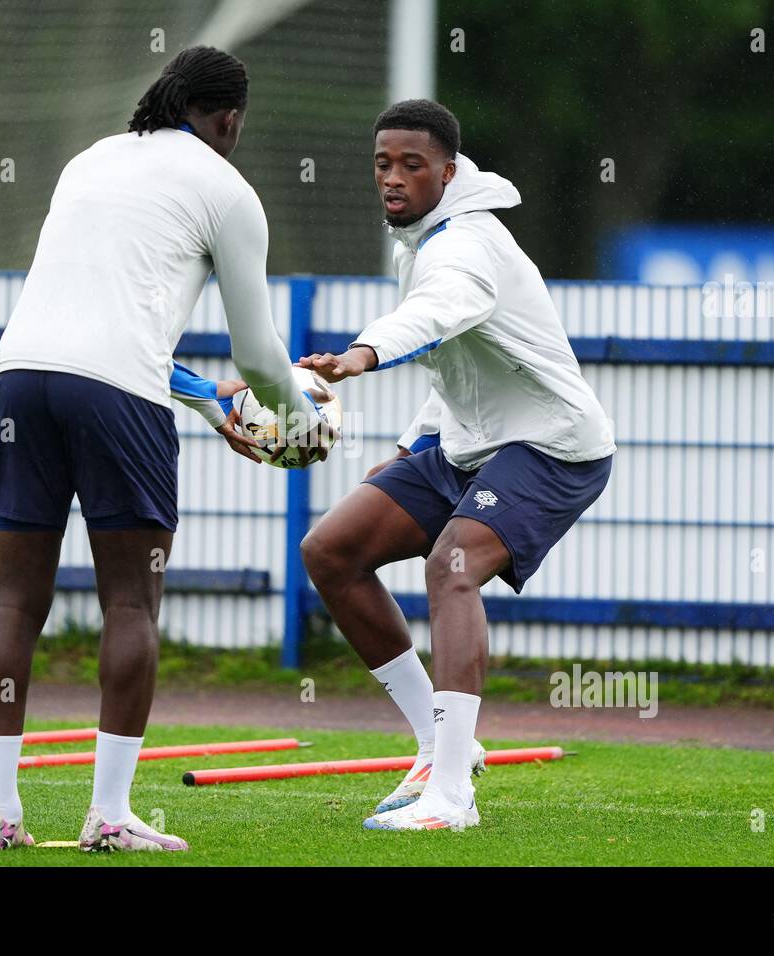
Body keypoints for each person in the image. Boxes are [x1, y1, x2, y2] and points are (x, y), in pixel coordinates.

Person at [0, 46, 331, 852]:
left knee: (12, 603)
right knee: (130, 603)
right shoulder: (229, 192)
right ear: (230, 118)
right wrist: (300, 423)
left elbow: (95, 322)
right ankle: (108, 815)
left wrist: (206, 402)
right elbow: (261, 358)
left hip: (19, 380)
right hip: (118, 397)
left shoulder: (89, 161)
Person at [298, 99, 615, 832]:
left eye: (412, 164)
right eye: (383, 163)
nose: (394, 178)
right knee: (332, 552)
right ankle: (442, 745)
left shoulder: (466, 245)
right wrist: (412, 447)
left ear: (448, 170)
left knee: (453, 567)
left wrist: (361, 353)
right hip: (464, 443)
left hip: (553, 445)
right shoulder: (422, 240)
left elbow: (435, 315)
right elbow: (461, 371)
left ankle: (450, 798)